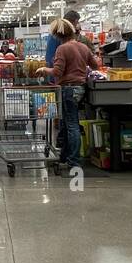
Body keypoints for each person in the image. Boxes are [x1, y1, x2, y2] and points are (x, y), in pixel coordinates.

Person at [38, 17, 93, 170]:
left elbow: (57, 71)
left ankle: (74, 161)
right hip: (80, 88)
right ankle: (65, 156)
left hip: (68, 88)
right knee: (68, 124)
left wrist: (43, 70)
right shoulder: (83, 47)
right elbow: (94, 65)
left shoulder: (62, 49)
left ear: (58, 35)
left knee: (71, 125)